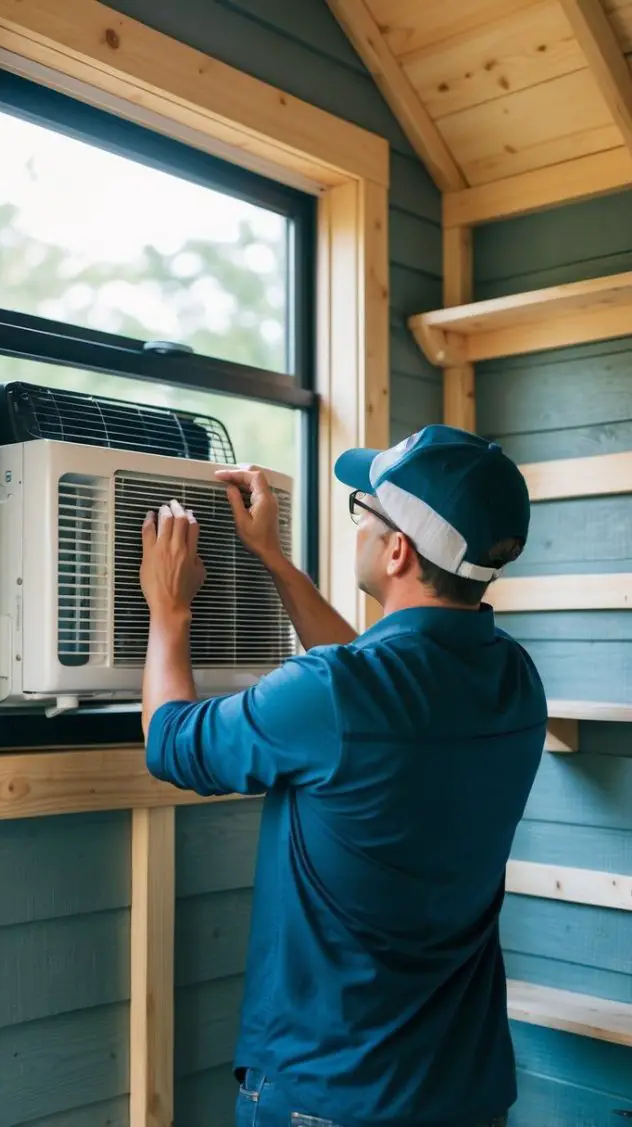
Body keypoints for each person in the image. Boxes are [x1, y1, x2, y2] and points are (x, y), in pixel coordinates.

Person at [139, 424, 547, 1127]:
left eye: (364, 508)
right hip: (462, 1090)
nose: (356, 521)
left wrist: (169, 608)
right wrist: (274, 559)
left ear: (398, 550)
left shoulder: (342, 692)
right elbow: (369, 691)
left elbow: (172, 741)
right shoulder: (513, 678)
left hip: (330, 1092)